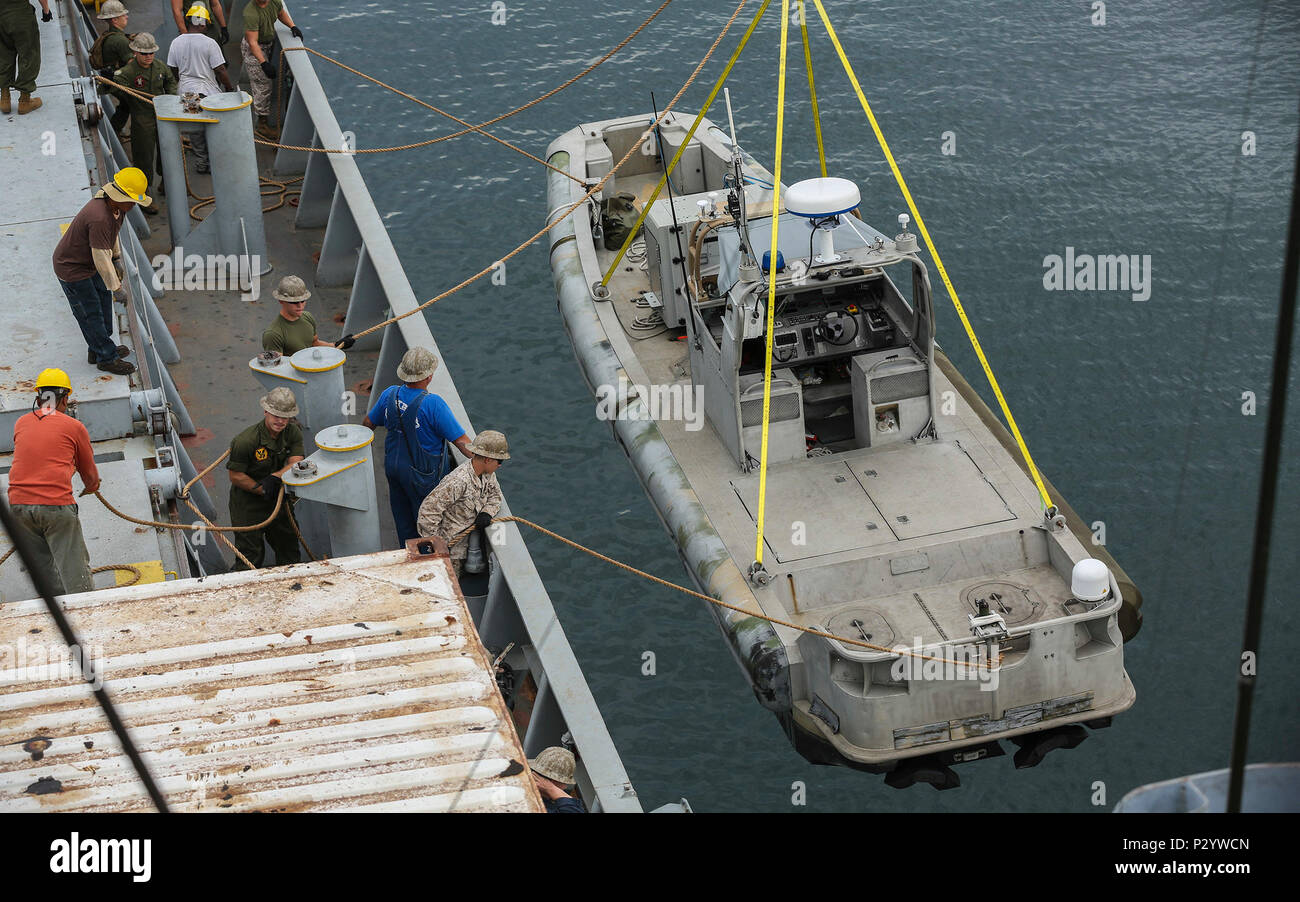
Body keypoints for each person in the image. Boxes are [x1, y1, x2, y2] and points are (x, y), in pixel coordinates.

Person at [6, 369, 100, 596]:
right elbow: (90, 474)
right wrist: (92, 486)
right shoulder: (74, 427)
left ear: (39, 397)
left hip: (18, 506)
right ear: (65, 398)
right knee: (74, 571)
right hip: (55, 506)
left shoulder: (21, 423)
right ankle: (87, 613)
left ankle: (56, 610)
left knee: (43, 572)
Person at [363, 348, 471, 546]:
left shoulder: (389, 395)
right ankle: (427, 562)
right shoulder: (433, 404)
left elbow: (368, 423)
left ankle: (408, 554)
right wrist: (484, 459)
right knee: (427, 524)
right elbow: (462, 443)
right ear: (429, 377)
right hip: (423, 477)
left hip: (393, 468)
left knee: (403, 519)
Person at [52, 168, 149, 376]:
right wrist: (117, 287)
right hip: (73, 269)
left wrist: (117, 258)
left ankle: (98, 349)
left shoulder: (116, 208)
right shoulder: (99, 218)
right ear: (119, 197)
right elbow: (100, 256)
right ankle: (106, 358)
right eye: (131, 201)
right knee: (90, 312)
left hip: (89, 264)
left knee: (103, 304)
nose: (134, 206)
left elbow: (111, 238)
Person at [226, 387, 304, 570]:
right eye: (276, 415)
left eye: (285, 416)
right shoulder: (245, 441)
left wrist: (275, 478)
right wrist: (262, 489)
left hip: (277, 496)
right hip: (248, 503)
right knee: (249, 555)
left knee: (289, 546)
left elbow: (296, 460)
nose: (280, 421)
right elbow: (235, 476)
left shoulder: (292, 433)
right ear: (266, 412)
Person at [415, 430, 508, 572]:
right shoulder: (458, 481)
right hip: (450, 550)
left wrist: (486, 513)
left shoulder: (488, 475)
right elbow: (427, 513)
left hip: (467, 545)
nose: (500, 465)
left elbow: (495, 496)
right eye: (499, 461)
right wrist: (438, 546)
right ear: (488, 459)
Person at [110, 33, 177, 214]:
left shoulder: (160, 67)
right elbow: (118, 87)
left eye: (151, 53)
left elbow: (170, 81)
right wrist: (130, 99)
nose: (148, 57)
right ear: (135, 53)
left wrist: (169, 98)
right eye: (144, 54)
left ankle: (165, 183)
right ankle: (143, 194)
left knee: (167, 152)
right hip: (142, 119)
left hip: (162, 115)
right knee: (143, 158)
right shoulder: (127, 73)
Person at [166, 5, 232, 175]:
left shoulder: (176, 42)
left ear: (189, 21)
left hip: (187, 92)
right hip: (208, 93)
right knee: (214, 126)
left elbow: (172, 68)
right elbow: (220, 70)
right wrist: (229, 88)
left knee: (195, 129)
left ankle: (202, 163)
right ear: (203, 24)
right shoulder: (210, 43)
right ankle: (217, 162)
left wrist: (181, 81)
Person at [241, 0, 301, 139]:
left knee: (267, 82)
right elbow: (252, 42)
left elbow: (280, 13)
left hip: (268, 44)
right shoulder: (251, 13)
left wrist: (292, 26)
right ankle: (261, 125)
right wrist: (263, 63)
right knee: (263, 84)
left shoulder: (274, 2)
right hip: (254, 50)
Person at [261, 275, 355, 355]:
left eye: (303, 301)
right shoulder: (273, 334)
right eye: (294, 302)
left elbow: (314, 343)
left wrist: (337, 345)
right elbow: (276, 369)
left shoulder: (307, 317)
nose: (300, 306)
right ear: (281, 301)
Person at [0, 0, 52, 115]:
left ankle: (4, 99)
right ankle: (24, 101)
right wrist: (46, 10)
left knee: (3, 55)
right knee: (29, 55)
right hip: (21, 14)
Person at [90, 1, 134, 137]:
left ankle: (115, 131)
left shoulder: (109, 34)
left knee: (125, 105)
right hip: (117, 80)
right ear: (115, 20)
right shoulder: (120, 41)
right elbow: (133, 65)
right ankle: (136, 134)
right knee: (138, 105)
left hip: (109, 79)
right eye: (123, 15)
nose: (126, 16)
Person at [529, 747, 586, 814]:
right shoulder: (536, 807)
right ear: (552, 782)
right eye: (564, 782)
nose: (565, 787)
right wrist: (551, 788)